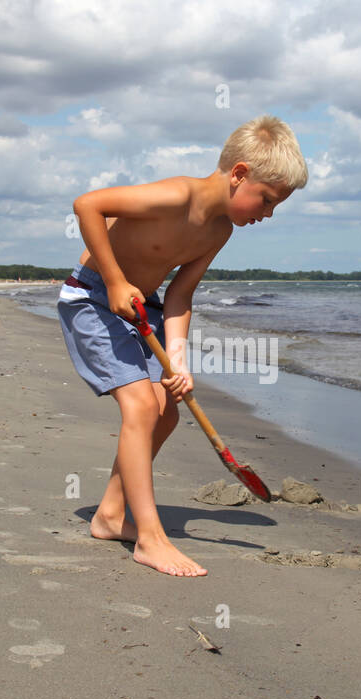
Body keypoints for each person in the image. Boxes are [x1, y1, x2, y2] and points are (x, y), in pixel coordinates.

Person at [57, 115, 307, 577]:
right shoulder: (176, 195)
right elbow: (88, 205)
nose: (267, 213)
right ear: (239, 174)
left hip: (145, 307)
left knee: (167, 408)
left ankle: (111, 515)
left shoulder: (219, 231)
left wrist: (179, 362)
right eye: (267, 200)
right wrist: (113, 280)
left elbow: (179, 296)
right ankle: (149, 538)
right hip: (92, 298)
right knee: (140, 407)